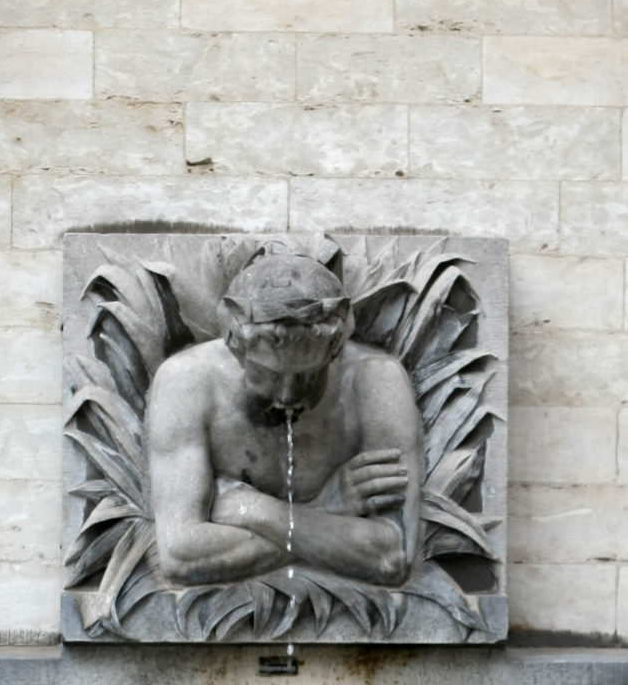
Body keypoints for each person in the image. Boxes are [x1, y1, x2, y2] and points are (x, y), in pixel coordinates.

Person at [144, 251, 422, 589]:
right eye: (269, 374)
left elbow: (391, 556)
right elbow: (180, 556)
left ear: (333, 350)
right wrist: (329, 512)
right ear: (237, 349)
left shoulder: (376, 381)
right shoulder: (188, 382)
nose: (289, 395)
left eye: (308, 375)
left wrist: (254, 509)